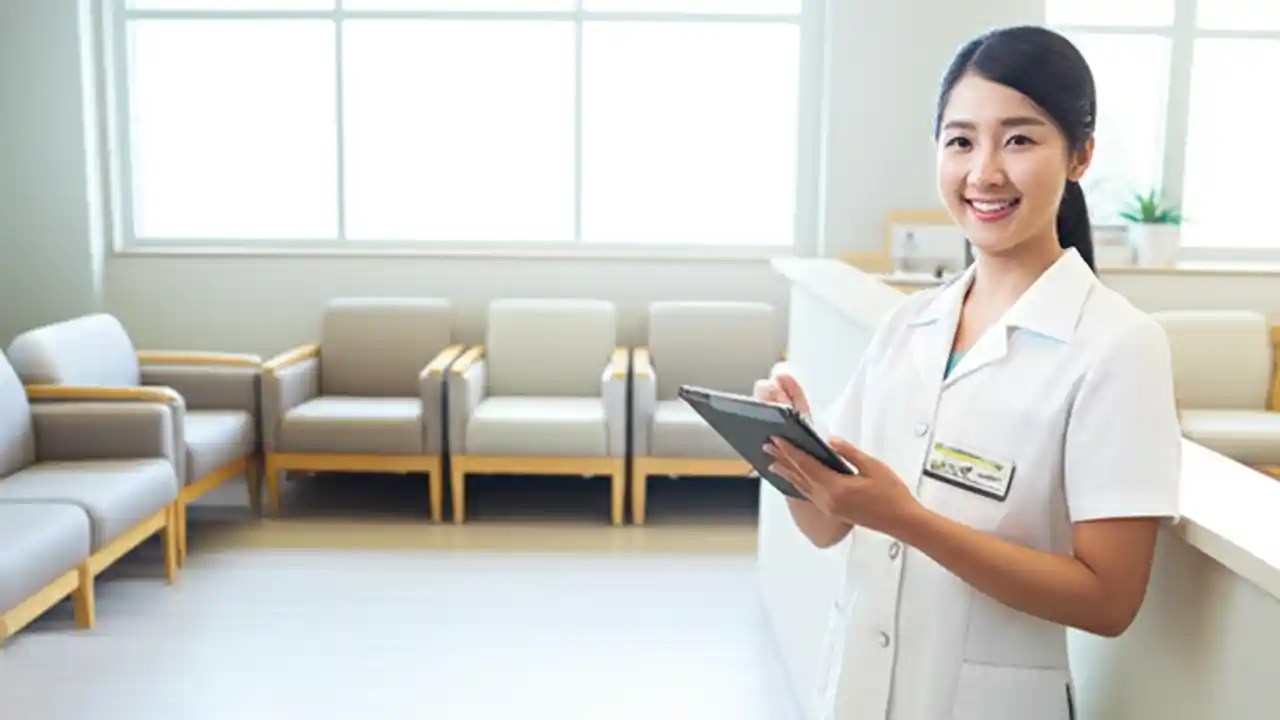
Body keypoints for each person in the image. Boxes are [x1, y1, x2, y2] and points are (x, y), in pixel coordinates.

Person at [755, 26, 1181, 720]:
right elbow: (827, 529)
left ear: (1080, 155)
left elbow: (1109, 600)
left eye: (1019, 140)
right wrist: (790, 454)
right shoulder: (908, 325)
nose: (984, 172)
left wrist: (909, 521)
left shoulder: (1119, 347)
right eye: (960, 141)